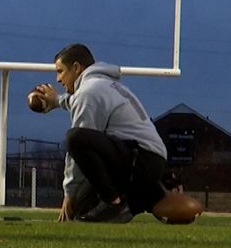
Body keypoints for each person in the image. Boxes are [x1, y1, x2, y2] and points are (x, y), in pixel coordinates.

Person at [31, 43, 168, 223]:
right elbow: (75, 102)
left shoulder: (89, 92)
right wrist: (56, 100)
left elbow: (78, 148)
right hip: (145, 159)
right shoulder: (101, 85)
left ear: (76, 68)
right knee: (82, 209)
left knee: (75, 138)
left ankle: (115, 202)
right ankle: (146, 197)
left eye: (60, 71)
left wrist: (69, 194)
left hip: (141, 160)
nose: (57, 79)